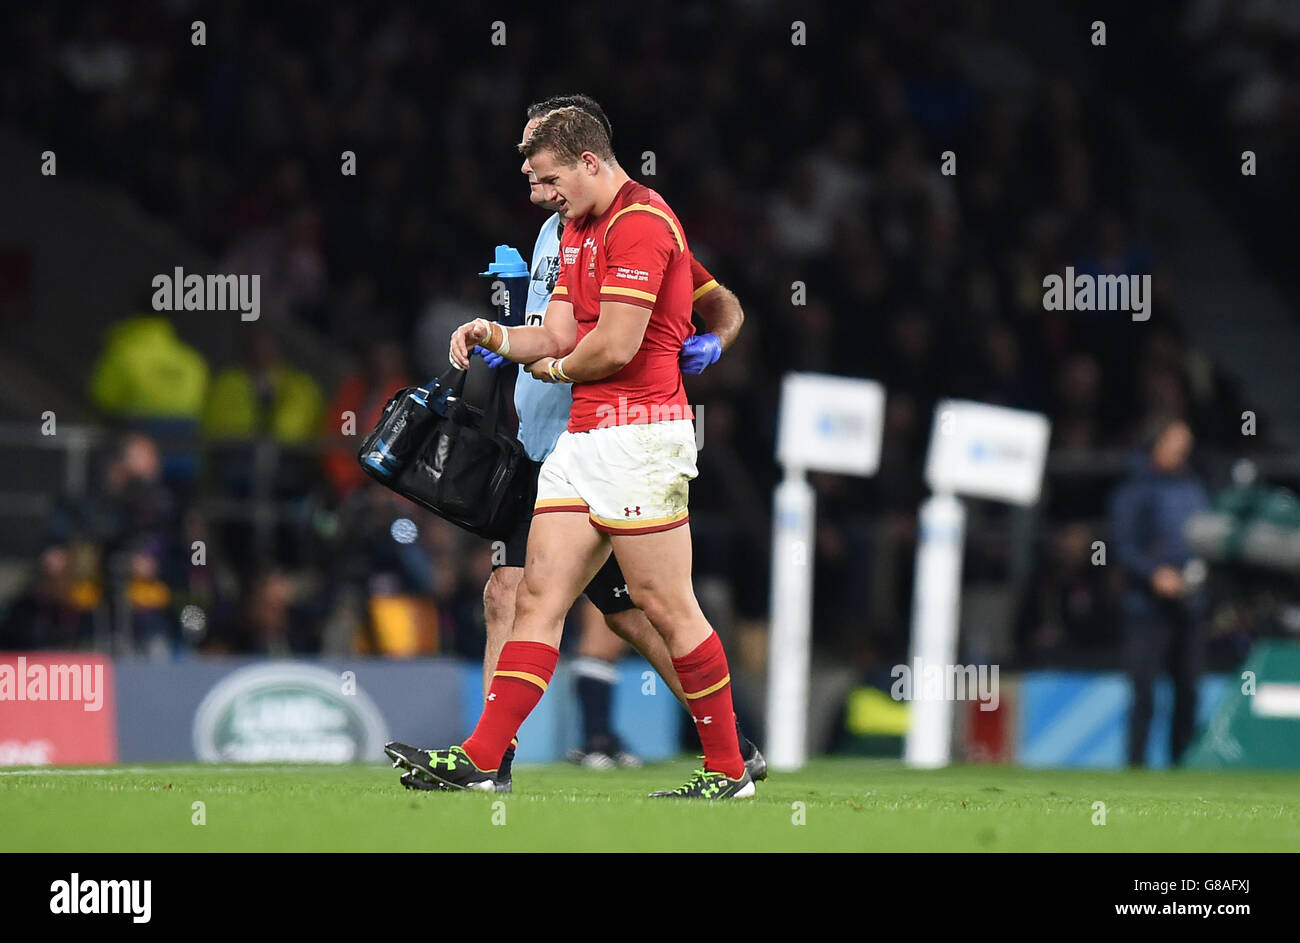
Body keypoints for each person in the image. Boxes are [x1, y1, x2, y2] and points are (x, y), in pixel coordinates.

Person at [394, 95, 761, 792]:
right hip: (580, 441)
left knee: (663, 606)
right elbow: (558, 332)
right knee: (535, 595)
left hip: (640, 436)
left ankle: (730, 766)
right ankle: (481, 760)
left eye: (549, 180)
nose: (540, 195)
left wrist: (552, 367)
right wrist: (495, 335)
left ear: (589, 162)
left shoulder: (644, 224)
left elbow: (614, 345)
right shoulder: (575, 227)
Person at [1109, 417, 1210, 767]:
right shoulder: (1134, 490)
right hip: (1146, 609)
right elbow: (1123, 546)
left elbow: (1205, 537)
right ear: (1157, 444)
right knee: (1144, 694)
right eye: (1175, 444)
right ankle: (1135, 765)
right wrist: (1154, 574)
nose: (1182, 453)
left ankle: (1180, 765)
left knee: (1188, 691)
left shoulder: (1194, 486)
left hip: (1189, 605)